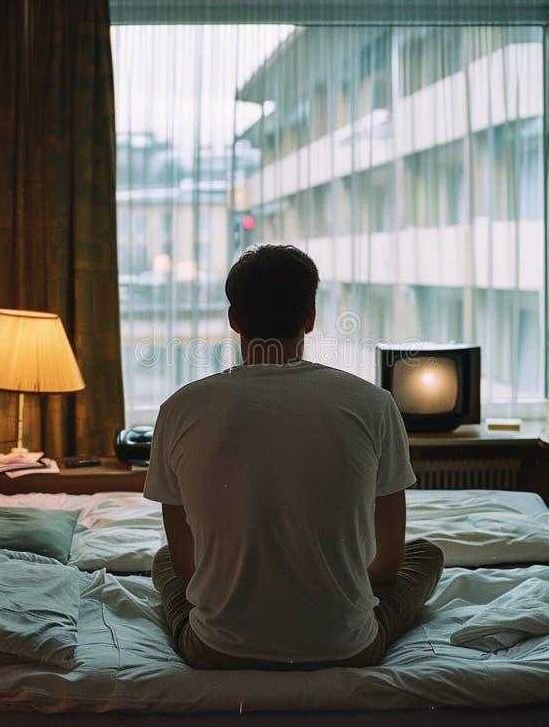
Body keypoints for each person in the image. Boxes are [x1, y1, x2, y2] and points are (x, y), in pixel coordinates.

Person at [145, 244, 443, 670]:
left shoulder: (179, 409)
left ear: (234, 320)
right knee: (426, 555)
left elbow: (187, 568)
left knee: (162, 560)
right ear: (310, 317)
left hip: (218, 651)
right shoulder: (373, 404)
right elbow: (388, 564)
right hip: (346, 648)